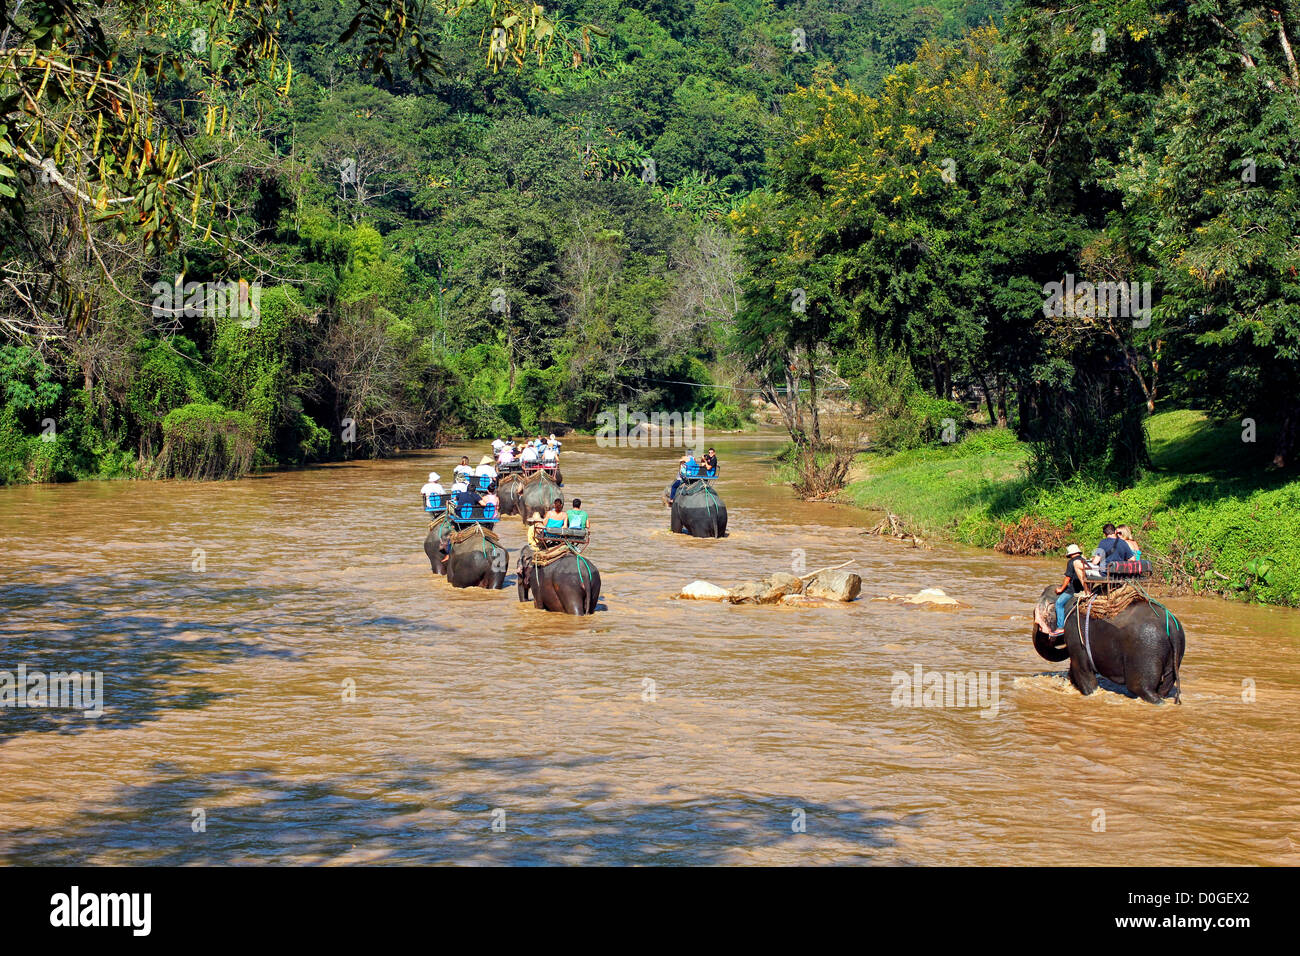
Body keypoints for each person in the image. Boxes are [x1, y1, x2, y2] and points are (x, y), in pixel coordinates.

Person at [1050, 544, 1092, 638]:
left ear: (1070, 554)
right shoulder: (1083, 560)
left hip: (1074, 589)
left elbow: (1068, 578)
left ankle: (1060, 627)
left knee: (1059, 604)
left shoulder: (1071, 562)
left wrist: (1061, 589)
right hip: (1085, 588)